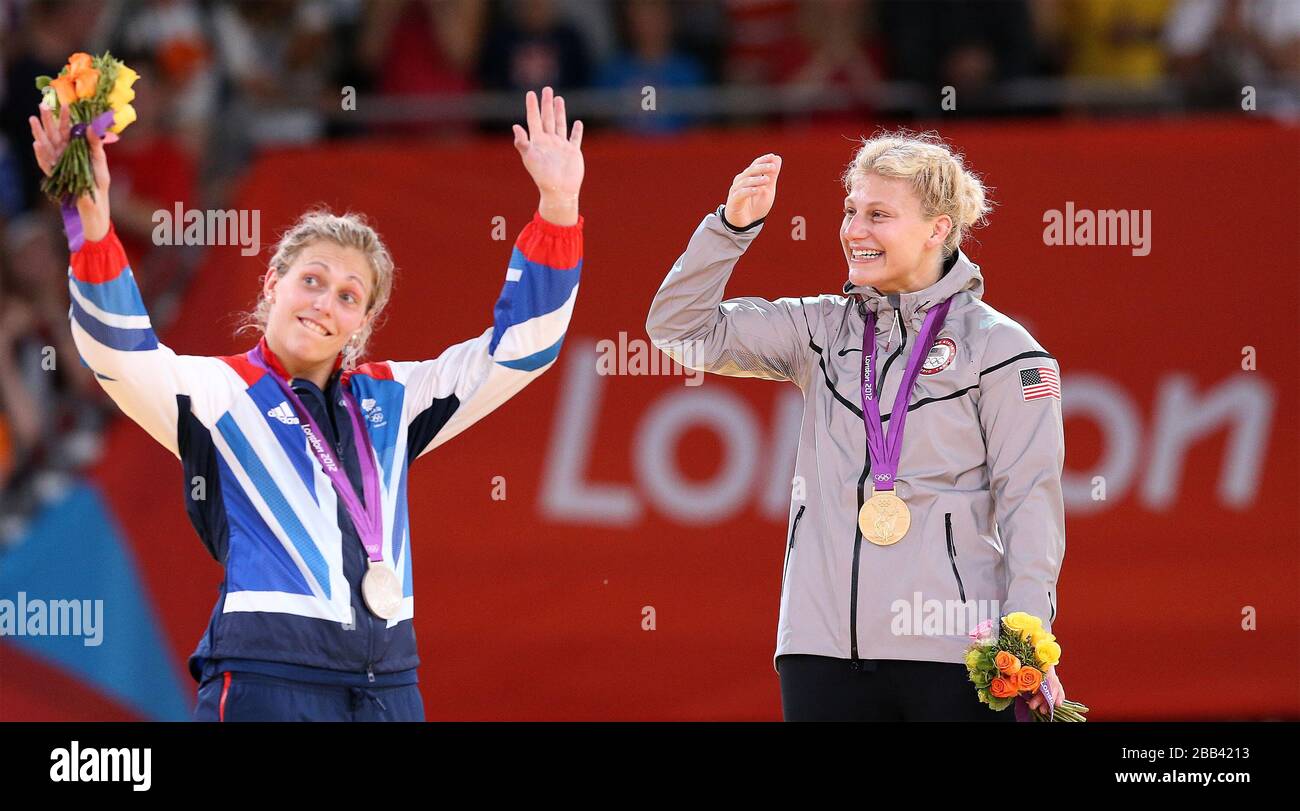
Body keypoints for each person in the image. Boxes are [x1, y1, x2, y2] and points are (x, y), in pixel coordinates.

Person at [29, 86, 585, 721]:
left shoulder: (394, 401)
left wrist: (558, 208)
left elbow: (520, 351)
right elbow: (118, 352)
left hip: (389, 686)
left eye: (349, 296)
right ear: (273, 286)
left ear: (364, 323)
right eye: (312, 280)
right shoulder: (217, 395)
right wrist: (93, 226)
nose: (325, 303)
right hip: (271, 678)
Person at [646, 133, 1066, 721]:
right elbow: (678, 330)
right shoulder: (818, 330)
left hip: (954, 651)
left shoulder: (1000, 350)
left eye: (878, 215)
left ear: (937, 229)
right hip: (818, 649)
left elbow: (1029, 499)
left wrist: (1025, 634)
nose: (853, 230)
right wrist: (729, 229)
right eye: (850, 212)